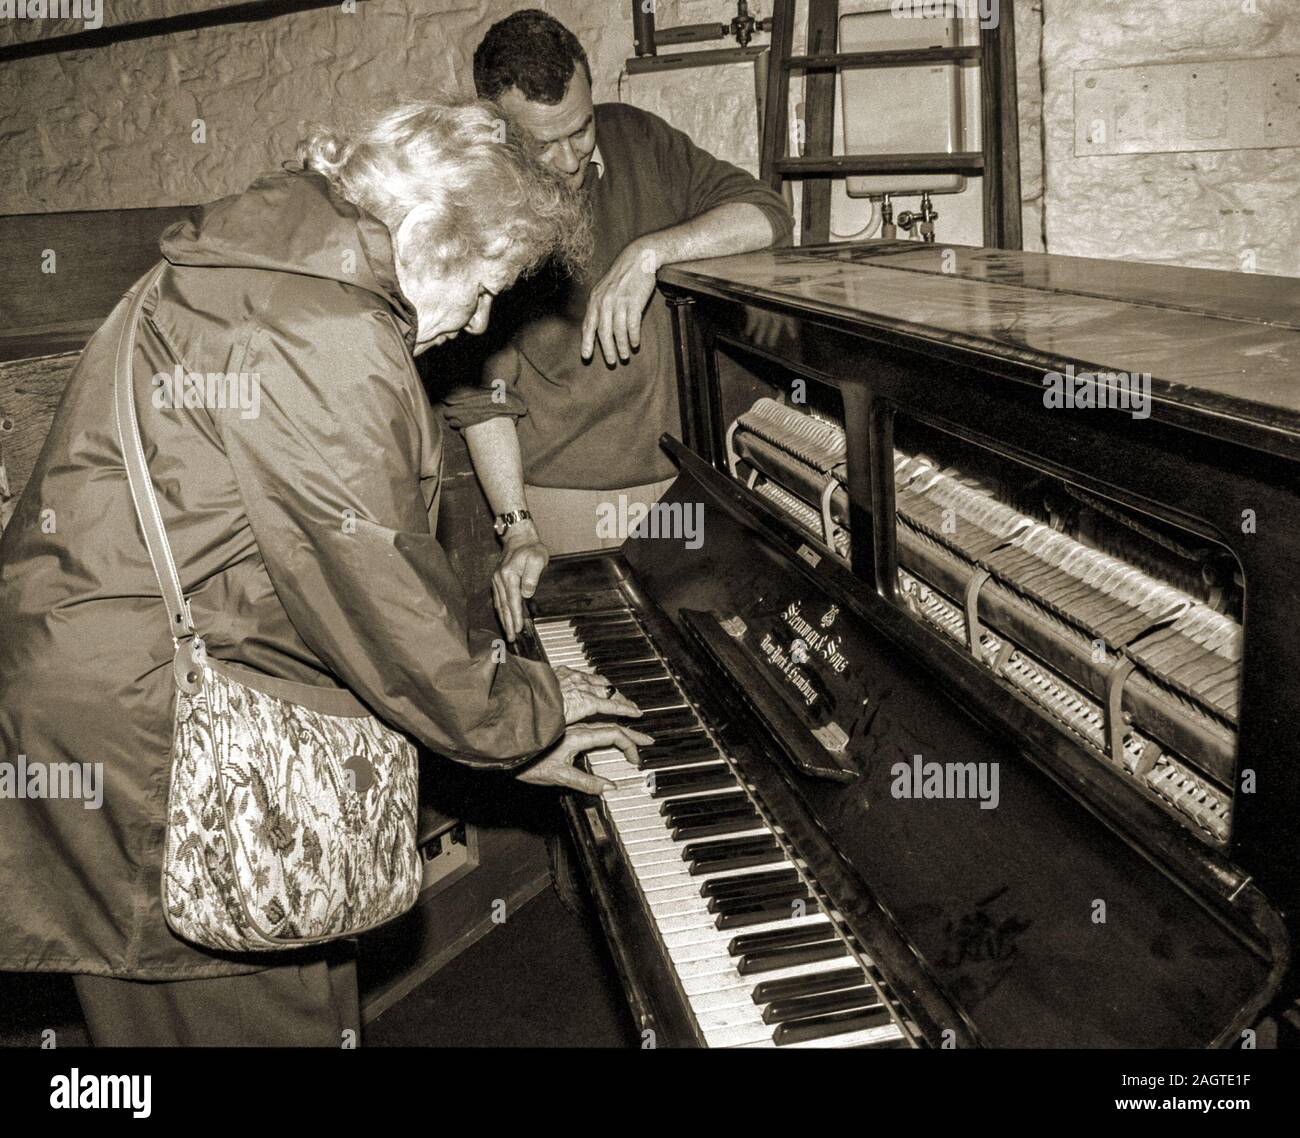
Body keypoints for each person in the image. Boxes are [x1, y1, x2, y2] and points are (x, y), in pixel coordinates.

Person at [0, 97, 649, 1046]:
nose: (478, 321)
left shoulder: (270, 260)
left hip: (145, 691)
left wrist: (496, 707)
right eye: (485, 287)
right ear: (425, 235)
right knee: (241, 1017)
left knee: (299, 980)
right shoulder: (325, 332)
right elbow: (380, 599)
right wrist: (523, 719)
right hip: (153, 743)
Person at [439, 9, 794, 641]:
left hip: (679, 491)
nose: (569, 158)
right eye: (543, 144)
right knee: (600, 674)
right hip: (564, 506)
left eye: (580, 129)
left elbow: (767, 215)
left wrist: (651, 252)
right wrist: (517, 529)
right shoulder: (483, 205)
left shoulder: (639, 139)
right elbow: (482, 400)